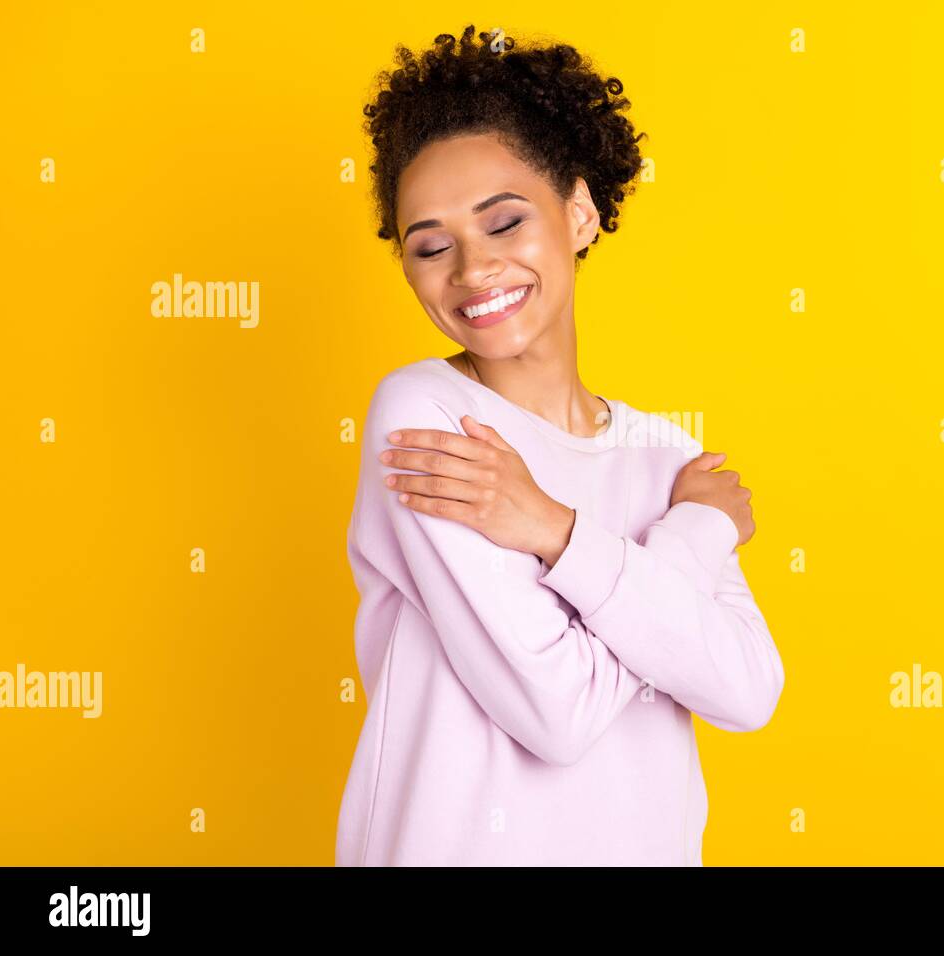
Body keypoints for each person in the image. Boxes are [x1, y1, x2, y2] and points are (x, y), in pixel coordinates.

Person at [335, 24, 785, 866]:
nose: (472, 270)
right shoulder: (426, 415)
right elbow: (557, 708)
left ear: (578, 213)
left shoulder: (664, 454)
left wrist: (554, 530)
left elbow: (748, 690)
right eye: (430, 245)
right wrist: (687, 539)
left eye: (504, 223)